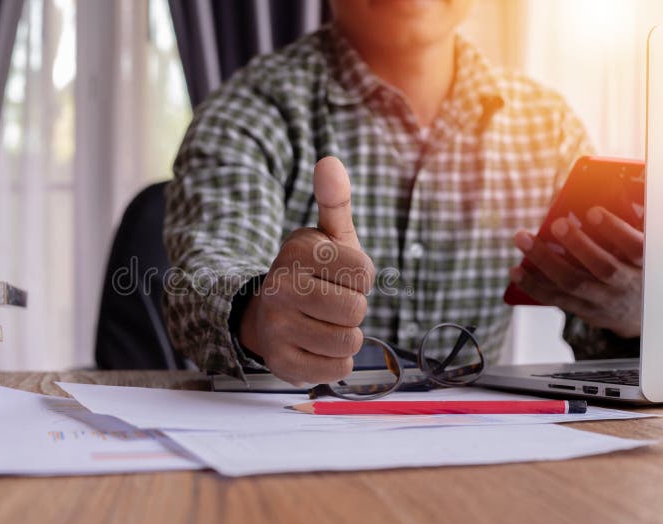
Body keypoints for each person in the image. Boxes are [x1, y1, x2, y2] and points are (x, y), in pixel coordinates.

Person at [163, 0, 643, 385]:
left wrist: (637, 317)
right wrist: (258, 313)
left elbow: (602, 336)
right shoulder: (249, 108)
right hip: (287, 448)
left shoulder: (549, 127)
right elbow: (202, 273)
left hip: (474, 458)